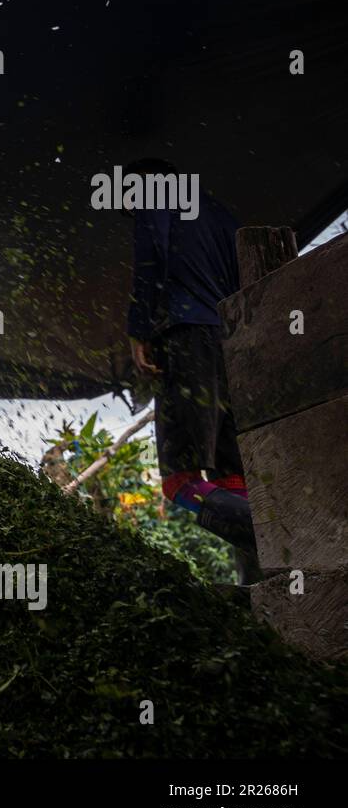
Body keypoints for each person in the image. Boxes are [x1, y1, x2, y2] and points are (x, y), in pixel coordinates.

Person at [124, 158, 263, 583]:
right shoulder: (221, 214)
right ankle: (260, 582)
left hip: (186, 339)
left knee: (179, 480)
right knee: (235, 474)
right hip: (228, 344)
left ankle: (275, 533)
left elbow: (151, 260)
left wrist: (139, 328)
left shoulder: (157, 197)